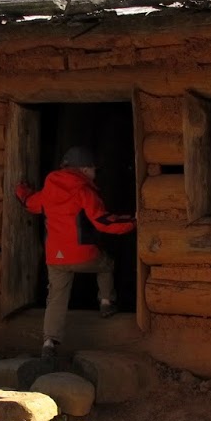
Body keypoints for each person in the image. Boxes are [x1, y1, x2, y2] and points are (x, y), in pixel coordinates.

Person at [15, 146, 135, 359]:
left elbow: (30, 203)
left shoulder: (49, 190)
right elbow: (103, 222)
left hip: (55, 257)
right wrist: (133, 222)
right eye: (94, 169)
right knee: (107, 264)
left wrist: (21, 190)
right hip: (83, 255)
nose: (95, 173)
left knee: (56, 297)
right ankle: (106, 302)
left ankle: (49, 342)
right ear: (85, 169)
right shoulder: (84, 191)